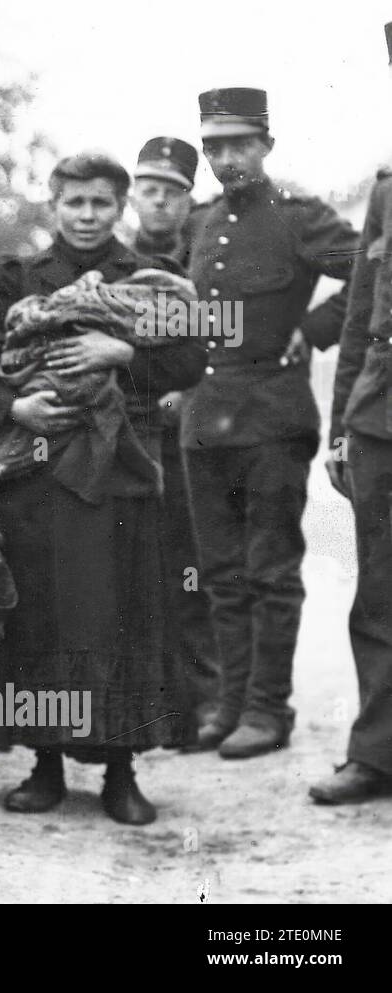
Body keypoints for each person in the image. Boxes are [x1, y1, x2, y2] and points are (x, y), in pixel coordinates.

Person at [0, 152, 205, 825]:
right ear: (55, 204)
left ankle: (122, 770)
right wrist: (16, 406)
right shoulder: (17, 277)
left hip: (121, 469)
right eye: (75, 203)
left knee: (123, 615)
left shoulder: (150, 278)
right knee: (41, 614)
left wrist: (124, 353)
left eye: (100, 203)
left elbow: (192, 359)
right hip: (34, 473)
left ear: (120, 207)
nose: (87, 216)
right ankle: (46, 765)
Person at [181, 88, 359, 759]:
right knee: (221, 571)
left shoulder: (299, 216)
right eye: (214, 147)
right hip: (205, 417)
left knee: (271, 570)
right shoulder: (199, 223)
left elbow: (370, 272)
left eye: (239, 144)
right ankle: (230, 704)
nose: (226, 158)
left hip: (273, 417)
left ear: (266, 146)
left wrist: (314, 329)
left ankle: (267, 708)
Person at [310, 22, 392, 805]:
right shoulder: (389, 187)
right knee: (380, 595)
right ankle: (378, 753)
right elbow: (365, 313)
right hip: (382, 421)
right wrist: (340, 427)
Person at [127, 137, 220, 741]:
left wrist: (188, 395)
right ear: (133, 196)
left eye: (172, 191)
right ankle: (144, 703)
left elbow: (225, 341)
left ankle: (202, 700)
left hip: (195, 438)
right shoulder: (116, 262)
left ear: (189, 200)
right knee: (134, 565)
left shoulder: (207, 262)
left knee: (192, 566)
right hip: (129, 431)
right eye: (150, 189)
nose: (160, 201)